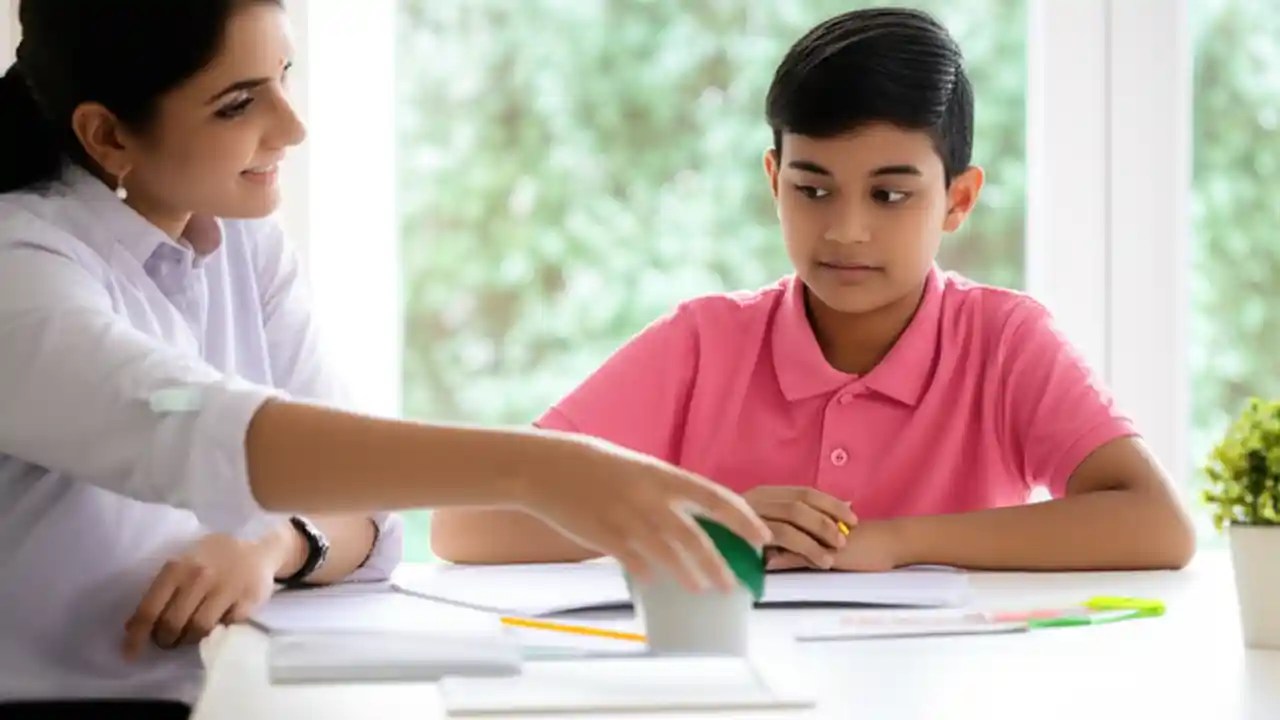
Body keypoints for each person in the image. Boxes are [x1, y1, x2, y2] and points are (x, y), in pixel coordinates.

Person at [0, 0, 769, 713]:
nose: (293, 126)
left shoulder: (240, 238)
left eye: (284, 78)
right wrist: (546, 469)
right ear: (107, 135)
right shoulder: (20, 271)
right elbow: (203, 430)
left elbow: (365, 509)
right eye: (239, 103)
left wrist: (272, 545)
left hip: (234, 695)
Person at [431, 7, 1196, 573]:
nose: (848, 231)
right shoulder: (705, 343)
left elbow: (1158, 526)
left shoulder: (1005, 340)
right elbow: (463, 526)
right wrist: (708, 519)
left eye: (890, 195)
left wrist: (897, 542)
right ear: (774, 182)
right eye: (814, 189)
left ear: (958, 201)